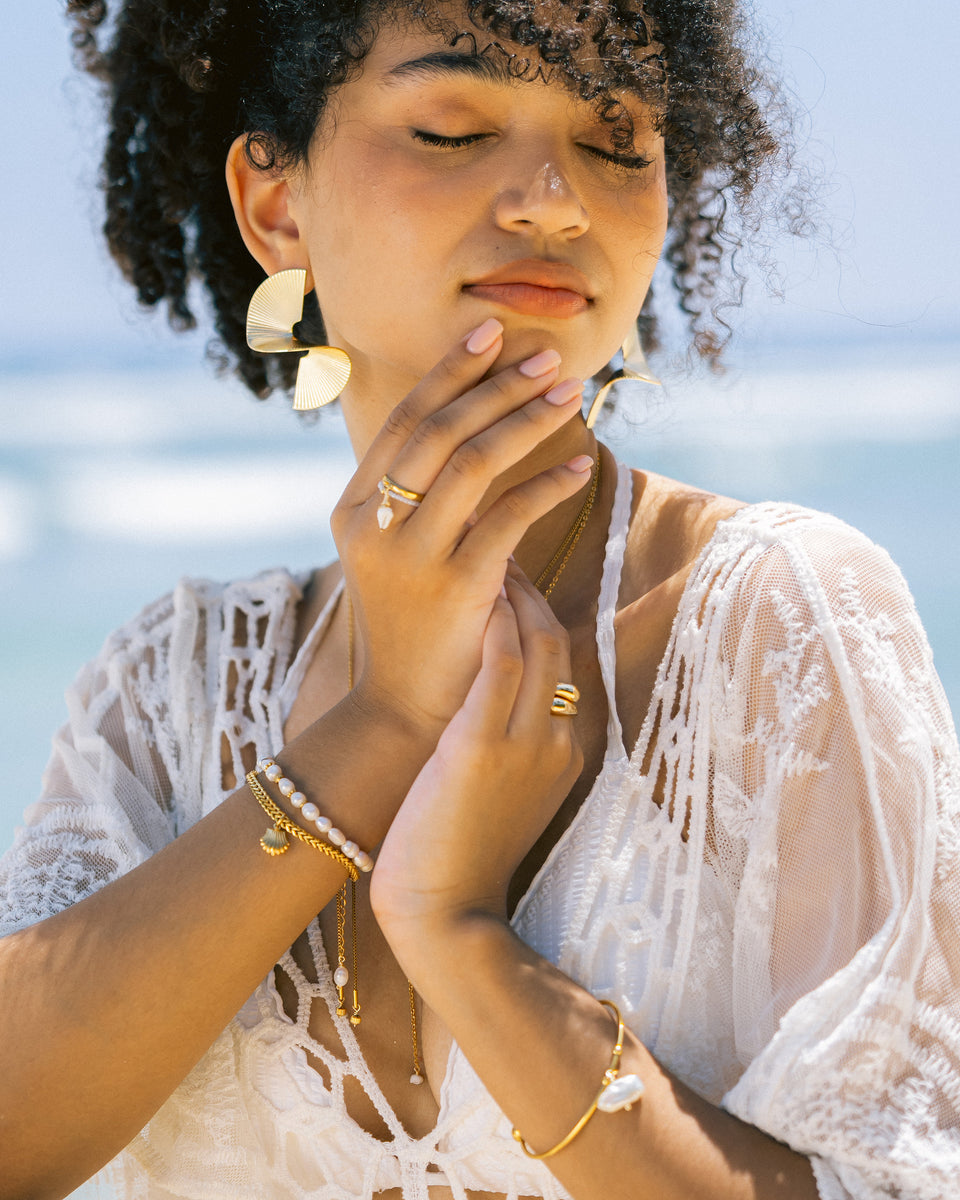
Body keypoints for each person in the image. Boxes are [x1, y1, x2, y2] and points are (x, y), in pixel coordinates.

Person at [1, 1, 957, 1197]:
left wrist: (460, 934)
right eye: (454, 124)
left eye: (618, 143)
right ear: (275, 207)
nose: (556, 198)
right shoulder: (173, 685)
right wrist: (381, 726)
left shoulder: (772, 620)